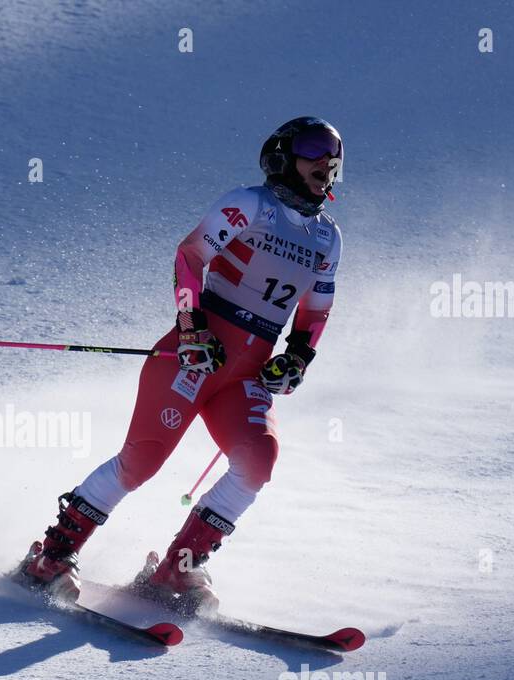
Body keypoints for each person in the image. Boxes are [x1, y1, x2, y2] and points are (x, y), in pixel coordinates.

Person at [18, 117, 345, 613]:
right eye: (314, 148)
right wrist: (192, 329)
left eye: (335, 153)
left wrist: (297, 357)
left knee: (259, 461)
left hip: (247, 373)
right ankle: (53, 557)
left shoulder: (328, 238)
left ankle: (179, 568)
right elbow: (191, 257)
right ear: (282, 155)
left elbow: (316, 309)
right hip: (196, 354)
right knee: (143, 461)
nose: (328, 161)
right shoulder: (251, 204)